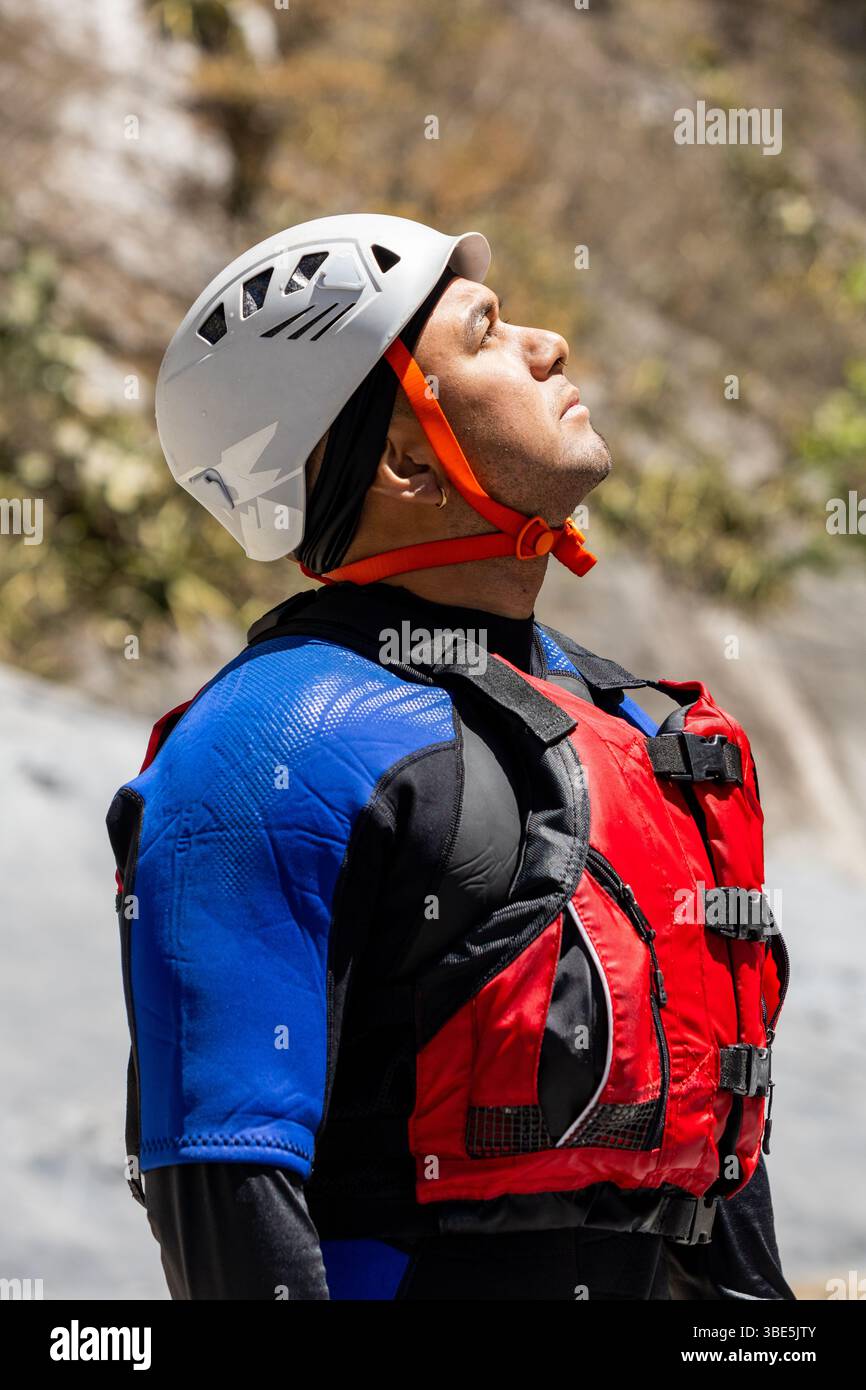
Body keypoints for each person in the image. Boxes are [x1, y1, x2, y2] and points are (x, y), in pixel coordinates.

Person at [107, 214, 792, 1300]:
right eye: (485, 335)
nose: (547, 343)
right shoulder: (268, 750)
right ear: (404, 457)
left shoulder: (619, 720)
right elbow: (224, 1195)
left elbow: (704, 1174)